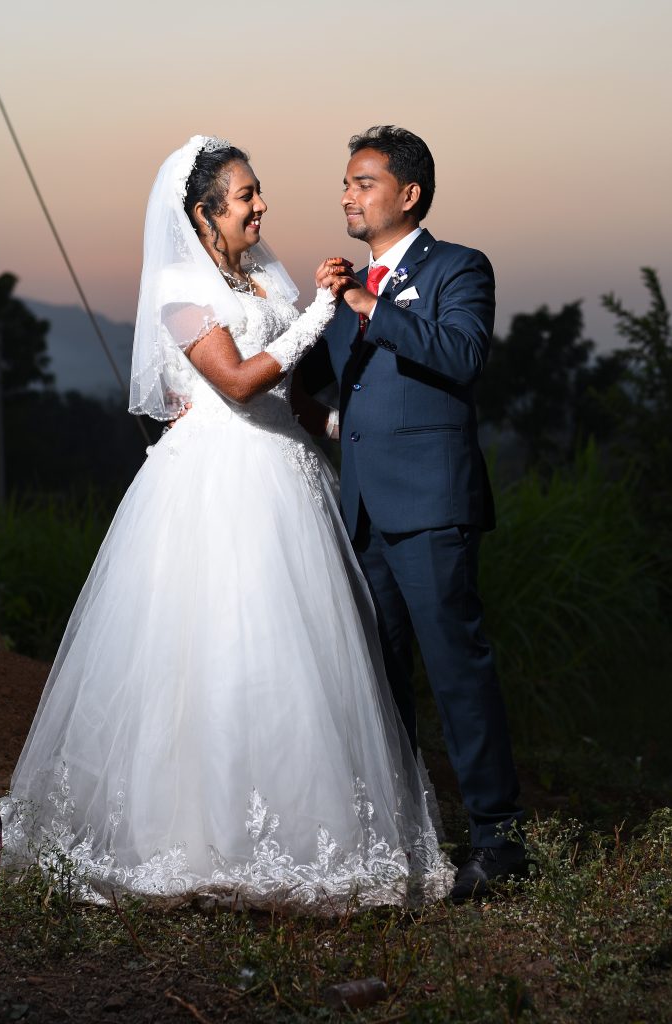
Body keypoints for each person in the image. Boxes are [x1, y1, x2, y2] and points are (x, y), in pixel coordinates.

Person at [0, 135, 454, 913]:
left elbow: (294, 397)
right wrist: (317, 313)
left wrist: (350, 430)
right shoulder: (178, 282)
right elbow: (236, 384)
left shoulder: (263, 274)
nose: (259, 205)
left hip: (287, 475)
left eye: (257, 191)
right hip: (218, 479)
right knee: (215, 647)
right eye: (243, 197)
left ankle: (301, 827)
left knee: (297, 656)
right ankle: (196, 830)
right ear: (203, 213)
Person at [296, 126, 528, 902]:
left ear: (408, 193)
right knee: (380, 680)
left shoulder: (459, 267)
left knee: (457, 672)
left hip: (431, 508)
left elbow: (461, 356)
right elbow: (330, 399)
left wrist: (366, 303)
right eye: (344, 182)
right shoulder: (340, 293)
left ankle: (499, 840)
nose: (346, 195)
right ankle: (402, 831)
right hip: (361, 511)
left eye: (361, 181)